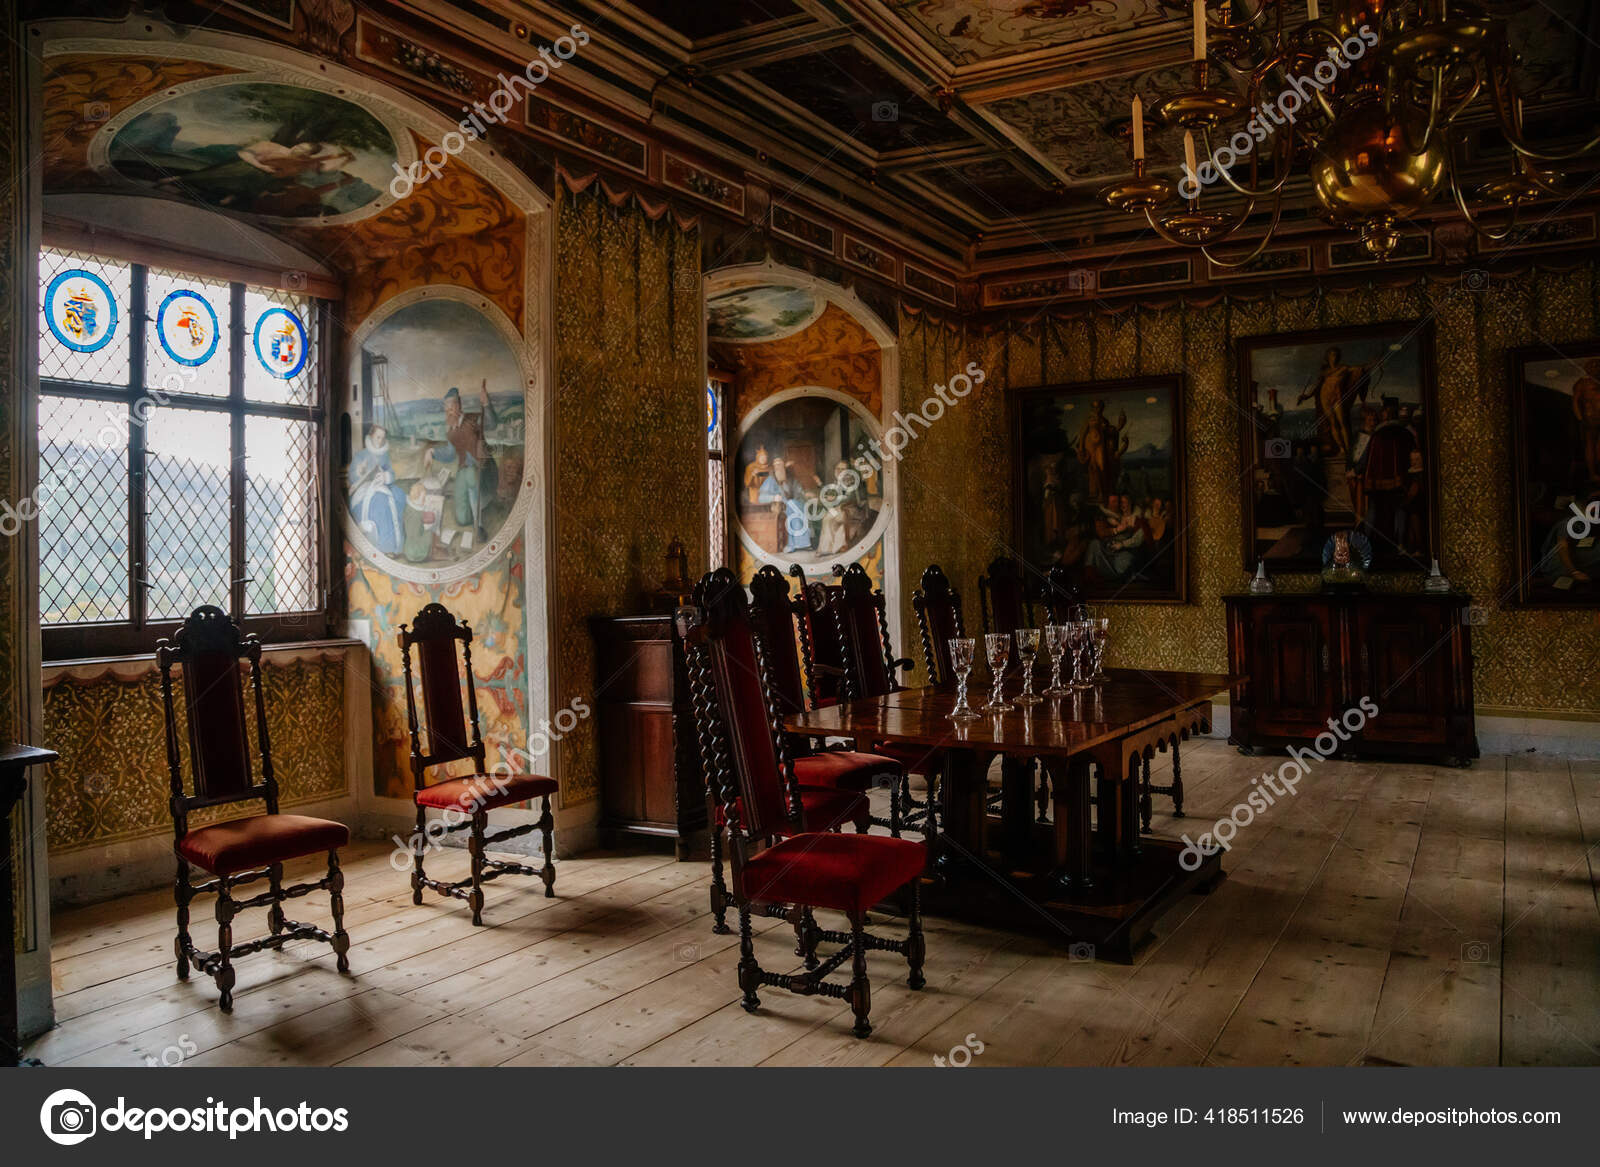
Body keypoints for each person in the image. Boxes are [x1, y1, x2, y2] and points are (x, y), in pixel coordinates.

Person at [428, 380, 499, 540]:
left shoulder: (473, 419)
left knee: (469, 474)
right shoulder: (451, 433)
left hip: (484, 471)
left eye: (451, 407)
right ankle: (472, 514)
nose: (449, 411)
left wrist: (486, 403)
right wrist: (433, 452)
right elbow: (450, 453)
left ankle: (478, 525)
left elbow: (493, 423)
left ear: (459, 405)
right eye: (446, 408)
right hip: (464, 470)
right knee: (461, 518)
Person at [1296, 346, 1377, 459]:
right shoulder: (1325, 371)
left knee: (1342, 422)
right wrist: (1306, 396)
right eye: (1332, 355)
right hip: (1325, 397)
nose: (1334, 357)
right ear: (1328, 357)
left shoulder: (1343, 368)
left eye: (1336, 355)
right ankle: (1342, 449)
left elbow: (1359, 369)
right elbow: (1317, 386)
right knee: (1333, 424)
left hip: (1337, 397)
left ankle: (1348, 450)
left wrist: (1372, 364)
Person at [348, 423, 406, 555]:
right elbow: (352, 477)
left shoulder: (384, 456)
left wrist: (385, 477)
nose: (380, 441)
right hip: (364, 490)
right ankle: (384, 547)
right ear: (371, 437)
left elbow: (391, 473)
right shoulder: (361, 455)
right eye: (377, 437)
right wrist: (359, 471)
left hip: (381, 485)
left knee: (399, 495)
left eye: (382, 438)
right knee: (380, 503)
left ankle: (394, 545)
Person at [1074, 399, 1128, 502]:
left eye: (1099, 407)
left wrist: (1120, 426)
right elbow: (1083, 434)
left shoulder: (1104, 421)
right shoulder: (1089, 419)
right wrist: (1081, 448)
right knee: (1093, 469)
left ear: (1102, 408)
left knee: (1102, 468)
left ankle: (1102, 492)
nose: (1097, 409)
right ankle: (1095, 493)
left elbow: (1110, 433)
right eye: (1095, 407)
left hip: (1101, 448)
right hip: (1091, 448)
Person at [758, 457, 813, 554]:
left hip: (792, 505)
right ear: (774, 468)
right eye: (777, 466)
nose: (779, 468)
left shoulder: (791, 479)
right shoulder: (770, 480)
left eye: (781, 465)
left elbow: (799, 492)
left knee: (798, 506)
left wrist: (805, 494)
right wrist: (773, 497)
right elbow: (760, 498)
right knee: (793, 506)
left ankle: (803, 543)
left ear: (784, 467)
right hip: (778, 507)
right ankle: (792, 544)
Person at [1574, 356, 1600, 483]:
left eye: (1597, 365)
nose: (1595, 368)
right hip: (1590, 420)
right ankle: (1592, 474)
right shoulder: (1582, 384)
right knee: (1590, 445)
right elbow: (1575, 402)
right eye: (1593, 366)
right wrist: (1580, 418)